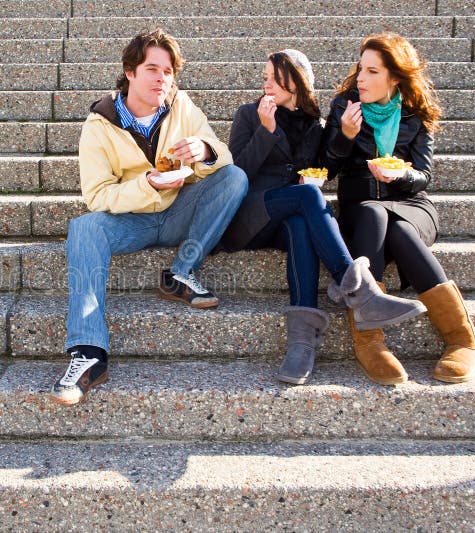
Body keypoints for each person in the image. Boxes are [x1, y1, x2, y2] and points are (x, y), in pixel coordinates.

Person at [50, 29, 249, 405]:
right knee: (84, 227)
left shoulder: (183, 107)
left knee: (234, 178)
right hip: (132, 221)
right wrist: (148, 185)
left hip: (178, 212)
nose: (163, 79)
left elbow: (224, 162)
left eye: (169, 71)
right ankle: (89, 352)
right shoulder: (99, 125)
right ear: (130, 72)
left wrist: (205, 150)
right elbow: (96, 196)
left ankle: (180, 273)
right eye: (153, 69)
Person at [219, 49, 427, 385]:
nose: (267, 84)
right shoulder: (250, 114)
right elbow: (237, 176)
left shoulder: (313, 125)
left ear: (296, 82)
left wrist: (315, 172)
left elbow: (320, 170)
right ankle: (361, 291)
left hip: (288, 217)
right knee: (308, 197)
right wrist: (266, 130)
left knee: (303, 222)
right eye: (265, 78)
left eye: (274, 77)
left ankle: (301, 343)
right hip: (249, 215)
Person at [322, 32, 475, 385]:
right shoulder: (343, 107)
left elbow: (423, 176)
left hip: (411, 205)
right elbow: (327, 169)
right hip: (362, 209)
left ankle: (461, 339)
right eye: (360, 69)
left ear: (395, 77)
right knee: (375, 214)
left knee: (400, 228)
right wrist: (344, 137)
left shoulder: (416, 114)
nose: (361, 78)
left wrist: (400, 175)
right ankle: (370, 339)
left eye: (373, 71)